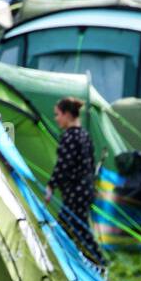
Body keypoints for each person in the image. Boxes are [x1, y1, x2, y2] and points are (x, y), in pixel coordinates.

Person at [44, 96, 103, 266]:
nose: (56, 119)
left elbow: (63, 165)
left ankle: (97, 262)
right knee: (76, 227)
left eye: (58, 114)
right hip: (85, 191)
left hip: (75, 193)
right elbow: (90, 164)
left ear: (67, 114)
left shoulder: (70, 137)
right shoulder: (84, 135)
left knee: (72, 228)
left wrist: (51, 186)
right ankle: (81, 262)